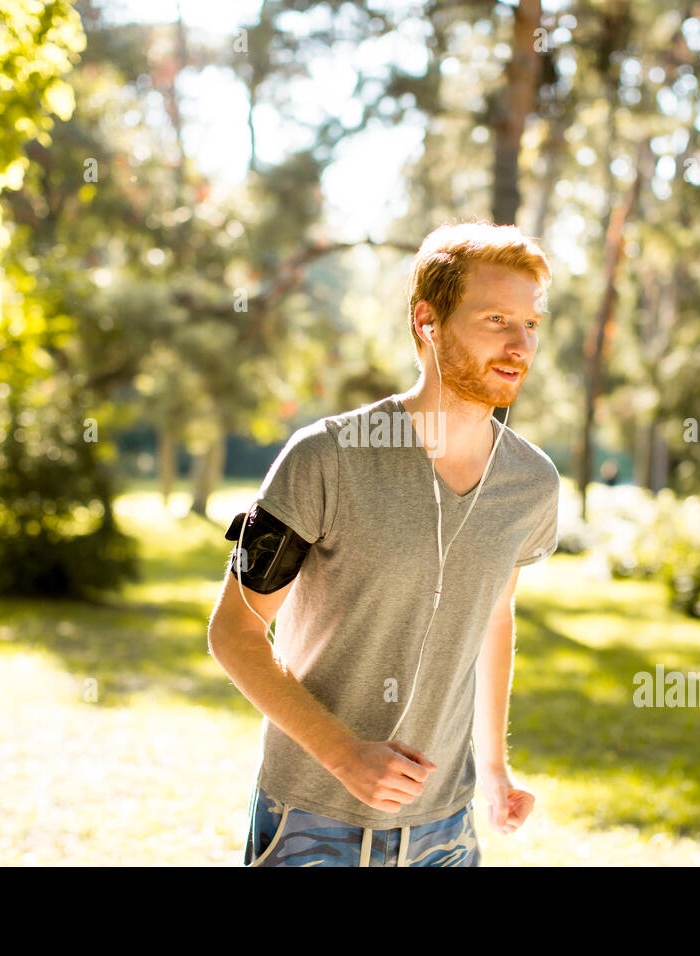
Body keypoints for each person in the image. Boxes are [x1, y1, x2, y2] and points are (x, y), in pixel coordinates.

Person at [206, 220, 560, 866]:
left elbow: (493, 616)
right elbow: (234, 633)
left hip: (446, 833)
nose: (519, 345)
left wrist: (495, 767)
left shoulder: (531, 484)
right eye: (494, 320)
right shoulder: (325, 458)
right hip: (311, 825)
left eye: (530, 324)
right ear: (428, 321)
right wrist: (344, 755)